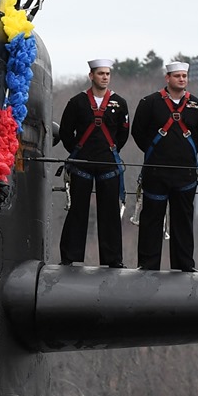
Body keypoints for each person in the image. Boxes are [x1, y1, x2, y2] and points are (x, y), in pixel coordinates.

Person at [131, 61, 198, 271]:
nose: (181, 79)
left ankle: (184, 265)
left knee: (183, 220)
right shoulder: (149, 103)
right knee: (151, 219)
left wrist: (182, 154)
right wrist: (158, 154)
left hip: (185, 174)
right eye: (177, 76)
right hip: (156, 172)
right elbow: (138, 132)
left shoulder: (196, 105)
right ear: (168, 78)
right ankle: (148, 264)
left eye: (184, 76)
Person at [56, 59, 130, 267]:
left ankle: (112, 259)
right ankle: (70, 256)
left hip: (108, 165)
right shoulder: (77, 102)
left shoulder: (119, 103)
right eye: (100, 73)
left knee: (110, 213)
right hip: (82, 164)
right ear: (91, 76)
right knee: (77, 211)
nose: (105, 77)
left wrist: (110, 152)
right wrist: (78, 152)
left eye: (107, 74)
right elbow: (65, 132)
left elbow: (123, 134)